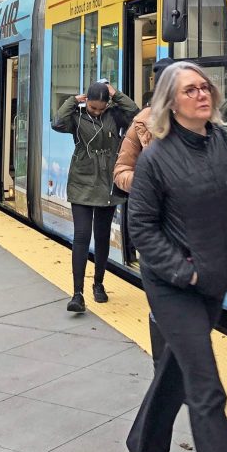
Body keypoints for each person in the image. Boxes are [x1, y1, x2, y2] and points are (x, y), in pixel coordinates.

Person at [126, 61, 227, 452]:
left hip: (214, 277)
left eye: (204, 87)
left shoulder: (221, 143)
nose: (201, 94)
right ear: (171, 103)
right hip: (173, 286)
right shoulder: (155, 158)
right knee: (206, 388)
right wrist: (186, 272)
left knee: (174, 373)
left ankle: (141, 449)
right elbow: (141, 227)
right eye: (190, 90)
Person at [52, 80, 139, 312]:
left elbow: (136, 114)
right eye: (93, 107)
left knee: (102, 236)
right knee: (81, 235)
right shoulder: (76, 117)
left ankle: (98, 283)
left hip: (107, 182)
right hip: (81, 180)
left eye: (101, 108)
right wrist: (73, 101)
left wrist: (115, 94)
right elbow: (57, 122)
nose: (97, 112)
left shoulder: (115, 115)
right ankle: (77, 293)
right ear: (86, 101)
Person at [113, 58, 177, 195]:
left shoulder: (197, 121)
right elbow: (121, 172)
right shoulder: (142, 121)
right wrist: (145, 182)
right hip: (152, 203)